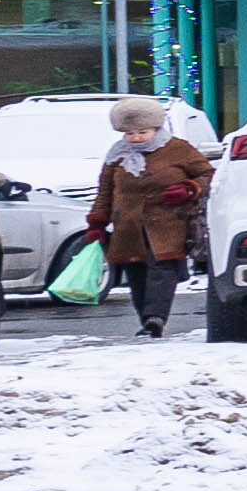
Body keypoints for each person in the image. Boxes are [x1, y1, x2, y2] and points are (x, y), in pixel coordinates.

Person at [80, 98, 216, 342]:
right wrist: (97, 223)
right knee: (136, 275)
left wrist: (189, 188)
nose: (136, 138)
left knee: (162, 271)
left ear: (156, 128)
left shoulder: (178, 149)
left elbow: (208, 174)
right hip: (129, 228)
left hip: (169, 224)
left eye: (142, 132)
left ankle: (156, 319)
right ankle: (146, 319)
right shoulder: (116, 157)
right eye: (130, 133)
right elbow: (105, 193)